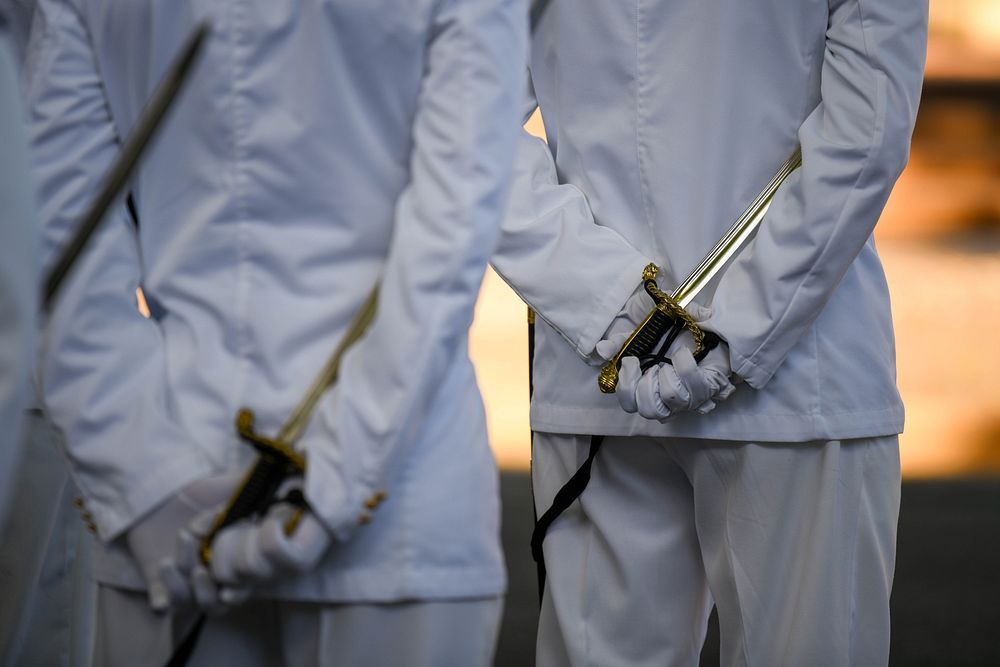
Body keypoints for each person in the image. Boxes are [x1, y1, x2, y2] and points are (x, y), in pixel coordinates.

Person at [27, 0, 526, 664]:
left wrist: (146, 478)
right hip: (398, 515)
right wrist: (330, 482)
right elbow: (449, 233)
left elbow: (51, 226)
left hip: (172, 498)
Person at [492, 1, 928, 665]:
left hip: (606, 384)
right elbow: (865, 133)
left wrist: (617, 310)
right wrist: (725, 333)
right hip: (797, 379)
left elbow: (458, 121)